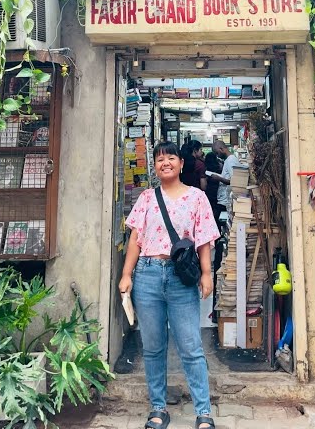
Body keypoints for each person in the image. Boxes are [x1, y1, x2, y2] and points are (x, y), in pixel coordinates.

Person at [119, 142, 220, 429]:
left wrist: (206, 274)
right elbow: (135, 240)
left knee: (190, 346)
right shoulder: (147, 198)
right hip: (147, 276)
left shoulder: (197, 198)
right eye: (160, 158)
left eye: (170, 158)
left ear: (181, 164)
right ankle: (158, 408)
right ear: (155, 165)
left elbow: (203, 240)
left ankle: (203, 412)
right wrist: (127, 275)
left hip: (179, 279)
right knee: (152, 347)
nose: (165, 163)